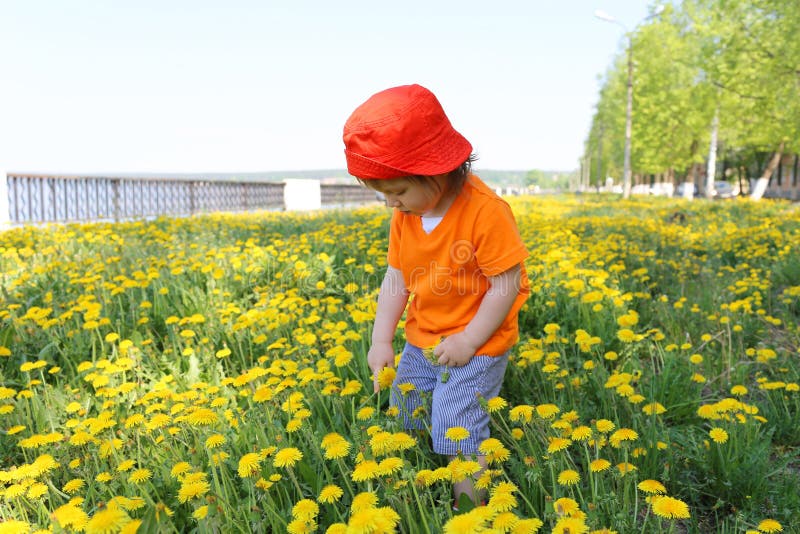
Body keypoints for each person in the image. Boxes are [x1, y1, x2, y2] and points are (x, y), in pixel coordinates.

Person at [342, 84, 530, 508]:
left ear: (436, 170)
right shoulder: (407, 215)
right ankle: (414, 496)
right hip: (423, 337)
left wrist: (469, 340)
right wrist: (381, 340)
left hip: (477, 340)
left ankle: (470, 509)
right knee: (404, 410)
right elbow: (396, 278)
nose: (391, 204)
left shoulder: (486, 211)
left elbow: (506, 283)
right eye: (383, 195)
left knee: (455, 421)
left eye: (398, 192)